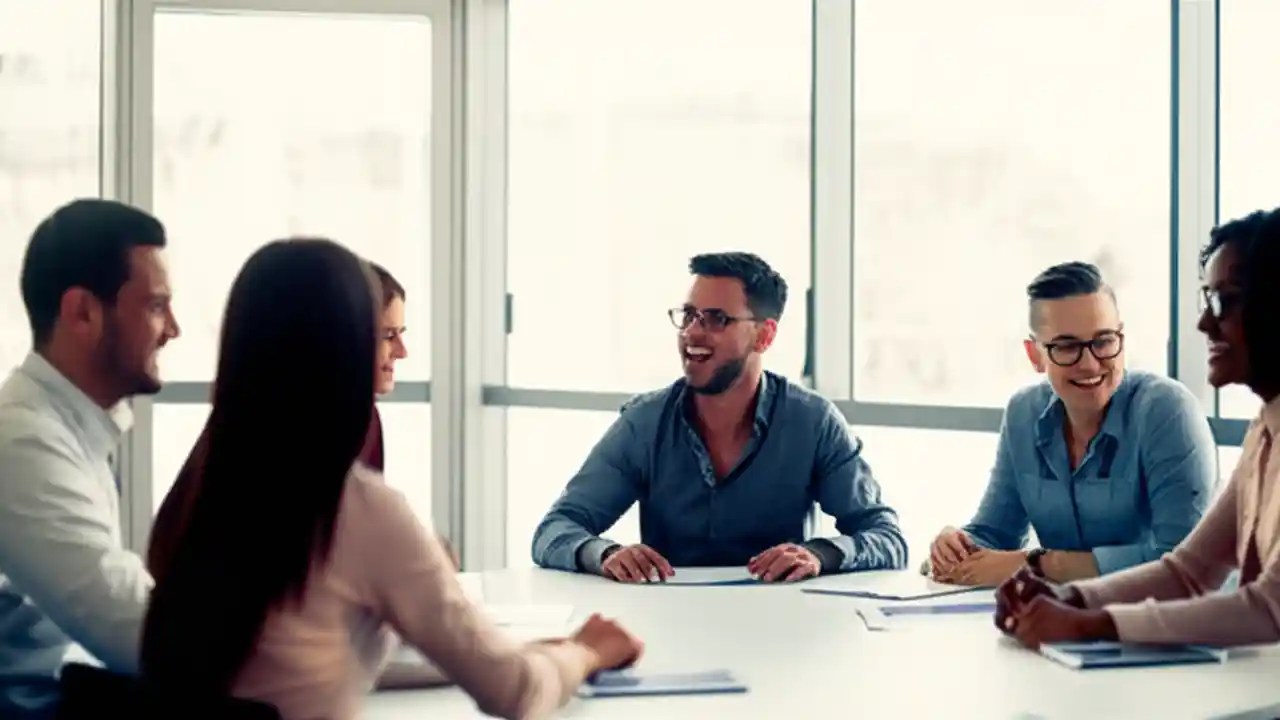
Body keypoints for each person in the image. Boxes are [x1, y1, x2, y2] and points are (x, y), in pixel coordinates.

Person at [142, 239, 642, 719]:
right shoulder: (353, 506)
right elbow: (515, 691)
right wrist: (585, 652)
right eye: (381, 332)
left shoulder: (199, 493)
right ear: (345, 344)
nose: (398, 351)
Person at [994, 208, 1280, 649]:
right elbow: (1187, 572)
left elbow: (1269, 607)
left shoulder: (1165, 410)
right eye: (1206, 301)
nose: (1204, 323)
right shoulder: (1266, 431)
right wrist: (1065, 597)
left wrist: (1092, 623)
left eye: (1223, 301)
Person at [531, 252, 907, 583]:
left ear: (764, 336)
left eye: (716, 319)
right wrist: (607, 555)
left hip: (783, 630)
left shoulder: (813, 422)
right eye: (690, 315)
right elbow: (555, 530)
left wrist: (820, 554)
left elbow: (887, 538)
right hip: (668, 629)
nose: (693, 332)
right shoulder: (644, 423)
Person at [928, 262, 1216, 587]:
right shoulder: (1023, 414)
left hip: (1161, 626)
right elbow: (996, 532)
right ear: (1034, 355)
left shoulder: (1167, 412)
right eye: (1066, 347)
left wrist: (1039, 565)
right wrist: (956, 547)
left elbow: (1183, 564)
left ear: (1121, 337)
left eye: (1104, 341)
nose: (1090, 363)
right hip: (1060, 623)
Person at [0, 199, 180, 718]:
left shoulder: (66, 428)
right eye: (155, 306)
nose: (172, 329)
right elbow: (132, 630)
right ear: (83, 312)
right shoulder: (22, 441)